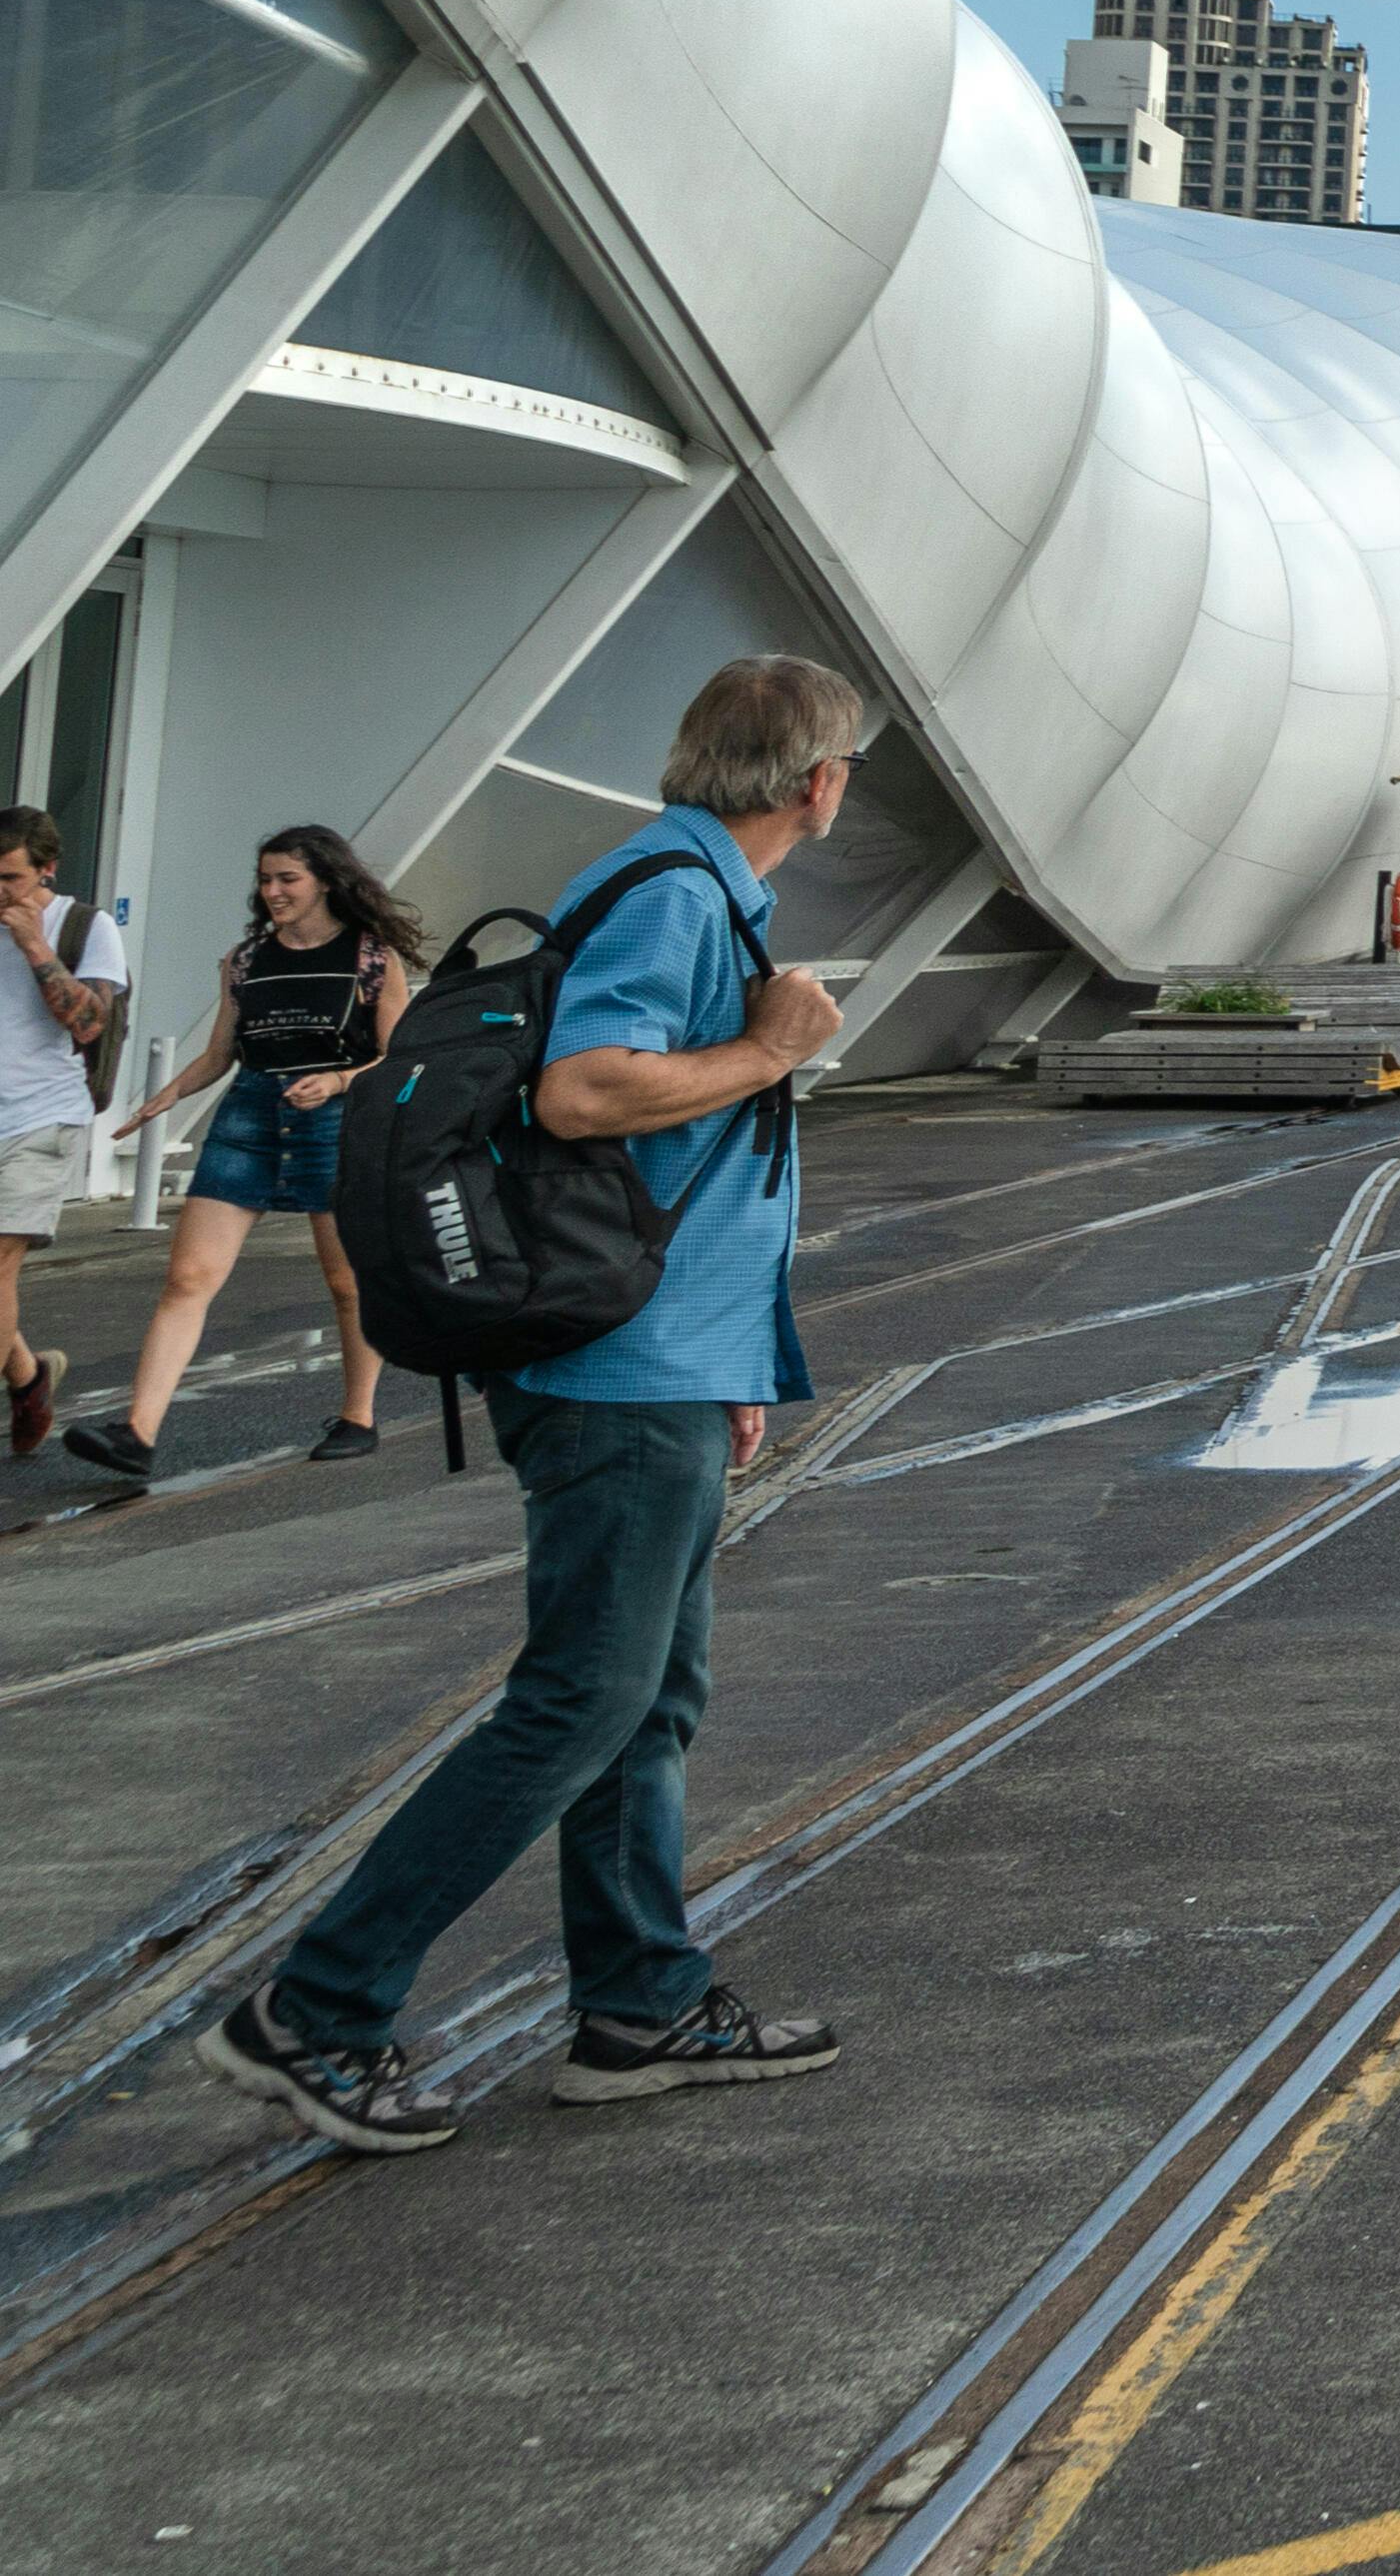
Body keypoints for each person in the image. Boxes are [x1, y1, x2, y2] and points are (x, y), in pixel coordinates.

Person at [195, 655, 867, 2159]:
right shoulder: (679, 896)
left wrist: (735, 1355)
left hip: (664, 1362)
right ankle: (318, 2004)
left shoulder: (679, 877)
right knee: (581, 1699)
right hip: (615, 1375)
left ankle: (638, 2002)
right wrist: (769, 1049)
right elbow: (582, 1093)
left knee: (640, 1700)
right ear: (817, 784)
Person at [67, 827, 416, 1481]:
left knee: (346, 1281)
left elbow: (397, 1058)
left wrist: (340, 1080)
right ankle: (135, 1434)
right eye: (265, 879)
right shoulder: (246, 960)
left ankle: (359, 1417)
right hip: (250, 1114)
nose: (273, 891)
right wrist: (162, 1098)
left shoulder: (372, 959)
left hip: (337, 1119)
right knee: (188, 1278)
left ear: (325, 882)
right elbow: (219, 1054)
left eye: (288, 878)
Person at [0, 808, 132, 1462]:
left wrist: (34, 946)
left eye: (9, 878)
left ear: (45, 869)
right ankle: (27, 1378)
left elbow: (89, 1025)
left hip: (40, 1117)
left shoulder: (85, 926)